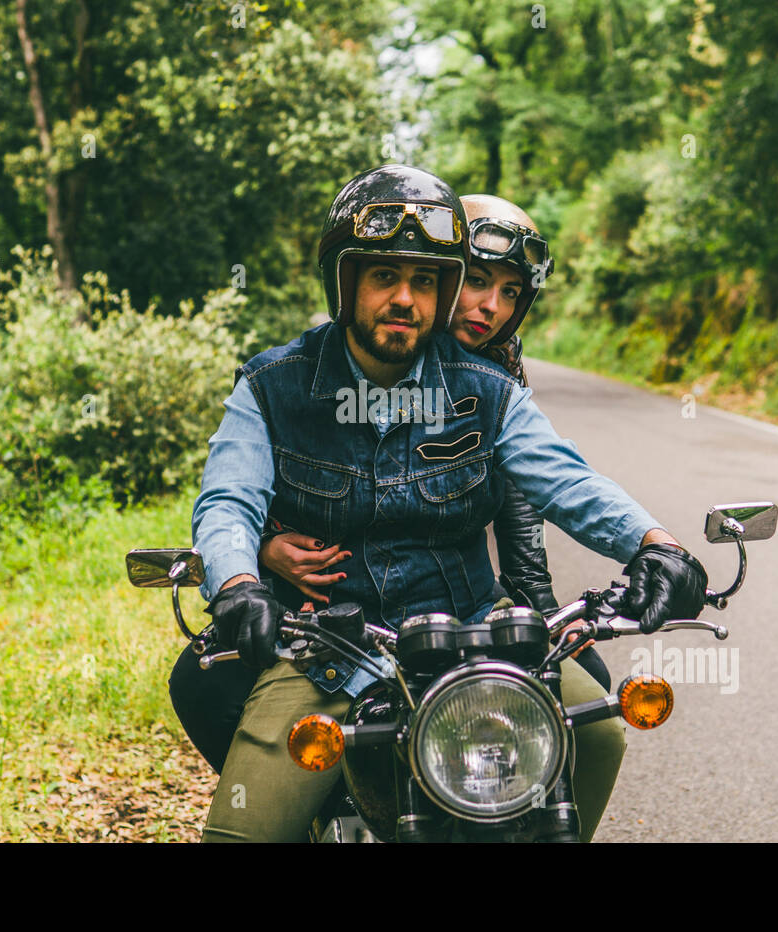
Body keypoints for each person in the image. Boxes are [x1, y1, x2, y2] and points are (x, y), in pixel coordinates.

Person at [190, 164, 709, 842]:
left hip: (473, 634)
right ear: (345, 283)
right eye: (384, 276)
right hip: (328, 647)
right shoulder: (272, 385)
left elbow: (569, 481)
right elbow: (228, 499)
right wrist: (236, 585)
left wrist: (655, 545)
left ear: (445, 293)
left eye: (425, 281)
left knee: (601, 735)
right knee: (242, 834)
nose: (404, 298)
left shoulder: (487, 391)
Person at [167, 193, 614, 774]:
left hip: (454, 611)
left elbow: (545, 492)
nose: (489, 308)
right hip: (323, 615)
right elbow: (233, 493)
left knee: (589, 709)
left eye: (510, 292)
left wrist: (550, 614)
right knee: (206, 686)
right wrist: (248, 562)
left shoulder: (496, 379)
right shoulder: (297, 373)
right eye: (477, 280)